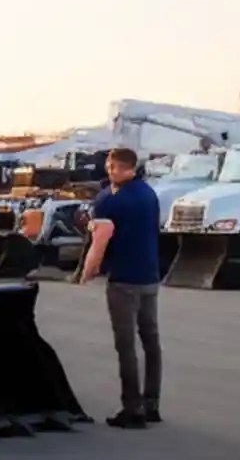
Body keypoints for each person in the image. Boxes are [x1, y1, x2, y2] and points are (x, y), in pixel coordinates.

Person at [80, 147, 162, 429]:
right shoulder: (149, 194)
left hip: (124, 278)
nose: (109, 170)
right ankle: (152, 404)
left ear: (117, 167)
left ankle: (132, 409)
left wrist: (88, 271)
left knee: (126, 346)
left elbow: (99, 243)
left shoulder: (108, 200)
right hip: (149, 276)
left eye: (111, 166)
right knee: (151, 340)